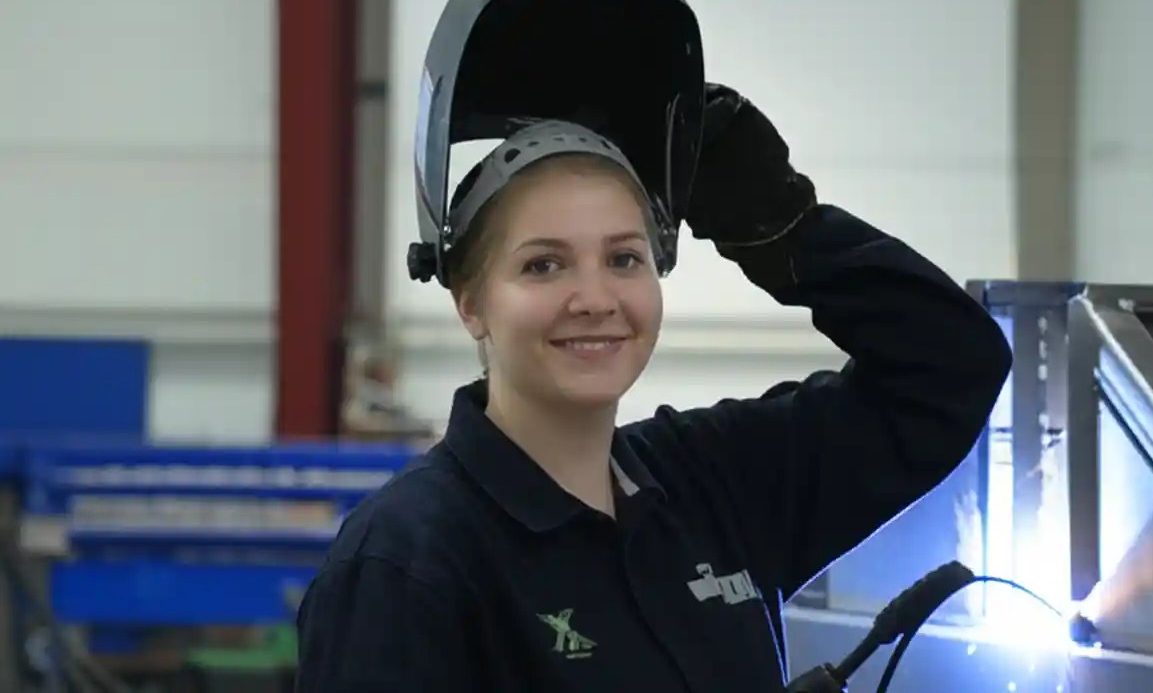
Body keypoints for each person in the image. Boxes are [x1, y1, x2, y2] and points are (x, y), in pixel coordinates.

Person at [292, 84, 1012, 692]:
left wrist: (788, 234)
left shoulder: (712, 485)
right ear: (470, 301)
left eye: (624, 258)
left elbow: (951, 364)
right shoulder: (406, 562)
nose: (595, 297)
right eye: (544, 266)